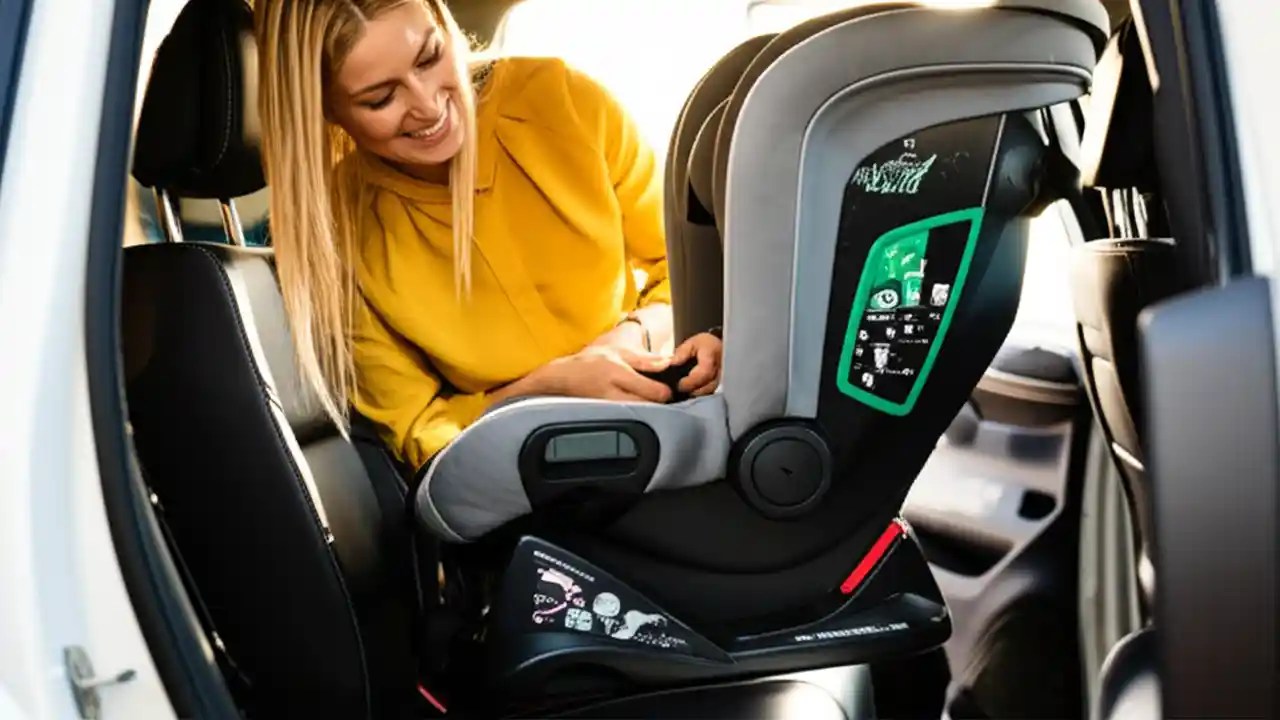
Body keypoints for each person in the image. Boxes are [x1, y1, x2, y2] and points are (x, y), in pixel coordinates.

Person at [253, 0, 724, 473]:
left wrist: (634, 338)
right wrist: (548, 388)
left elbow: (679, 267)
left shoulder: (564, 101)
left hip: (666, 421)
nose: (428, 105)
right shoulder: (337, 234)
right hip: (528, 478)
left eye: (430, 57)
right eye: (380, 99)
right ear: (327, 109)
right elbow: (420, 430)